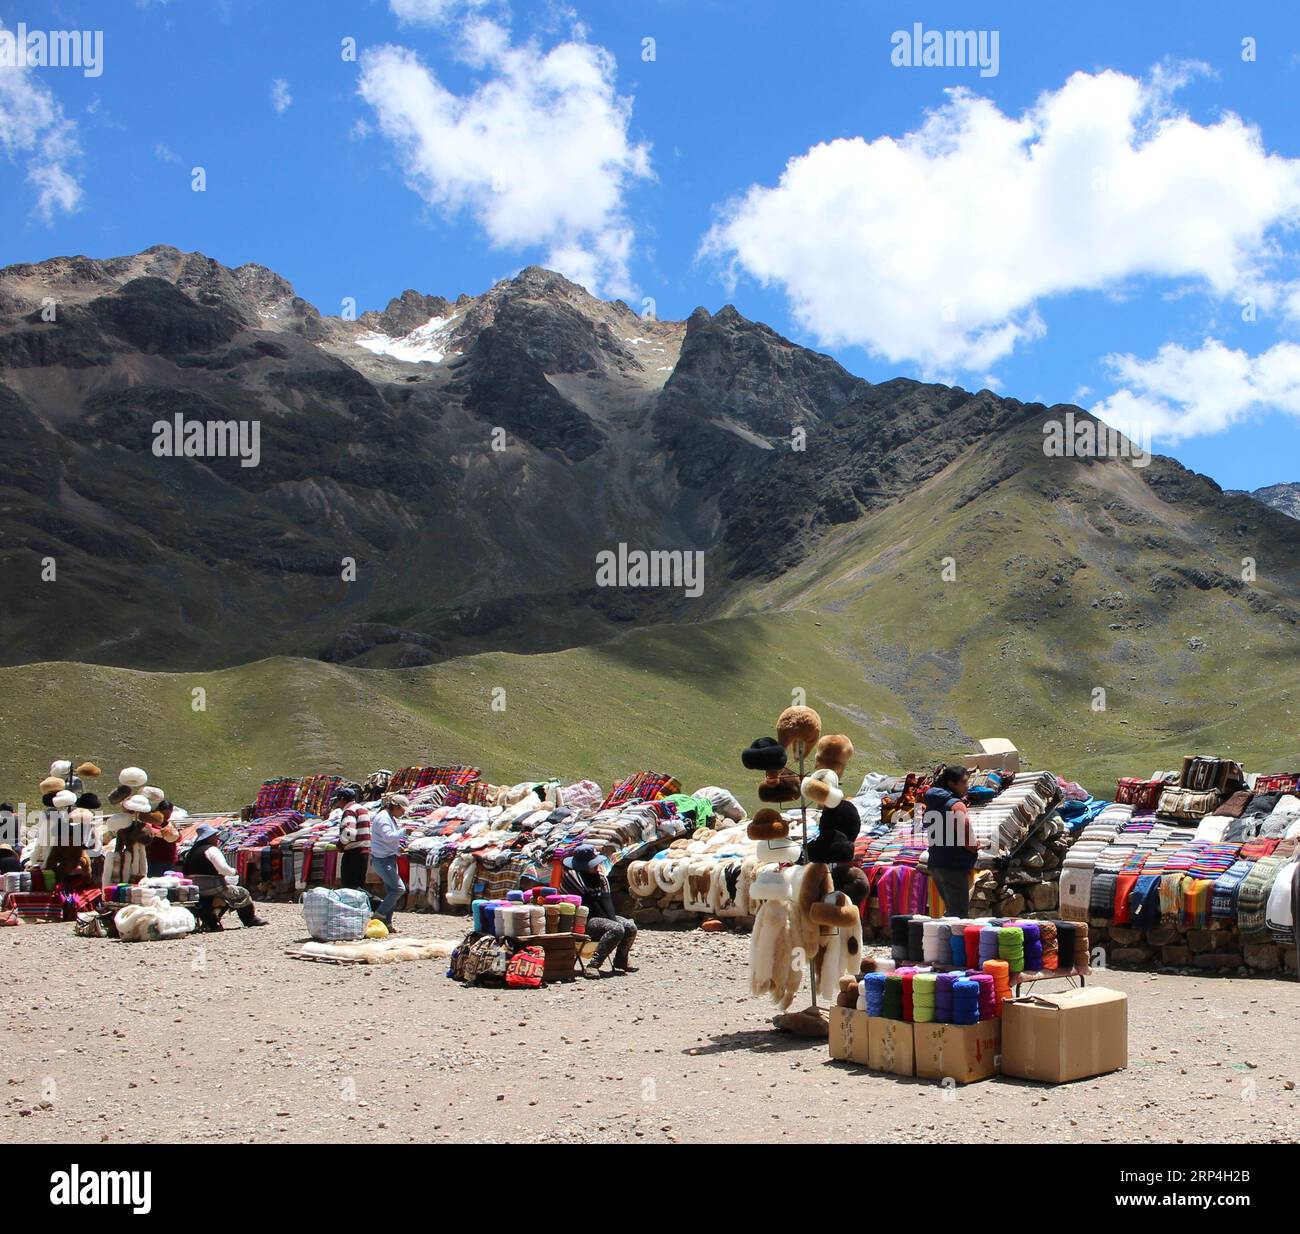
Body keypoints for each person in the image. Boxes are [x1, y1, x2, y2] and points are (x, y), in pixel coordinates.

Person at [560, 845, 638, 978]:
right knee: (616, 929)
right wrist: (612, 923)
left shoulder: (600, 878)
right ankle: (594, 965)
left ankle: (621, 960)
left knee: (630, 927)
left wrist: (611, 919)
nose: (596, 867)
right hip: (582, 920)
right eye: (592, 865)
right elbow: (589, 901)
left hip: (600, 915)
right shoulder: (572, 877)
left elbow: (607, 902)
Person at [182, 823, 269, 931]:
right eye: (215, 836)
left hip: (196, 889)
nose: (217, 838)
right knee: (242, 893)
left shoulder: (191, 853)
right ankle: (250, 919)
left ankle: (211, 921)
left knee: (227, 896)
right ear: (209, 838)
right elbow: (222, 869)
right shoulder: (211, 850)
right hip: (213, 887)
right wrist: (234, 872)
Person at [922, 764, 979, 917]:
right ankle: (951, 941)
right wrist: (974, 847)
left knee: (952, 911)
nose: (967, 786)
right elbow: (965, 831)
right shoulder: (956, 804)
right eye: (964, 782)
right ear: (951, 783)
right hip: (953, 865)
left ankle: (945, 940)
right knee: (959, 915)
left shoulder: (933, 804)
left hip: (936, 863)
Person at [368, 793, 408, 933]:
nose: (403, 813)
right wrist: (405, 831)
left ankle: (388, 923)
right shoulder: (383, 818)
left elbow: (385, 841)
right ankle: (378, 915)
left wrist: (397, 849)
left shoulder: (388, 817)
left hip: (388, 857)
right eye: (402, 810)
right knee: (399, 889)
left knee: (392, 890)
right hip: (383, 860)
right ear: (396, 807)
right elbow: (388, 836)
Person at [330, 786, 372, 898]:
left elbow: (349, 833)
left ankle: (379, 904)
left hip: (353, 853)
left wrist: (339, 845)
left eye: (338, 801)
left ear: (342, 799)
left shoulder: (349, 811)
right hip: (364, 852)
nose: (338, 804)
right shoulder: (362, 809)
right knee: (358, 887)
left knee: (350, 887)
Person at [145, 800, 183, 877]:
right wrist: (165, 834)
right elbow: (152, 832)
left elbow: (179, 839)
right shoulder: (151, 824)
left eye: (169, 813)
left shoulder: (171, 824)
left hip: (170, 859)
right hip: (155, 859)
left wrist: (175, 834)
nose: (167, 816)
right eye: (165, 814)